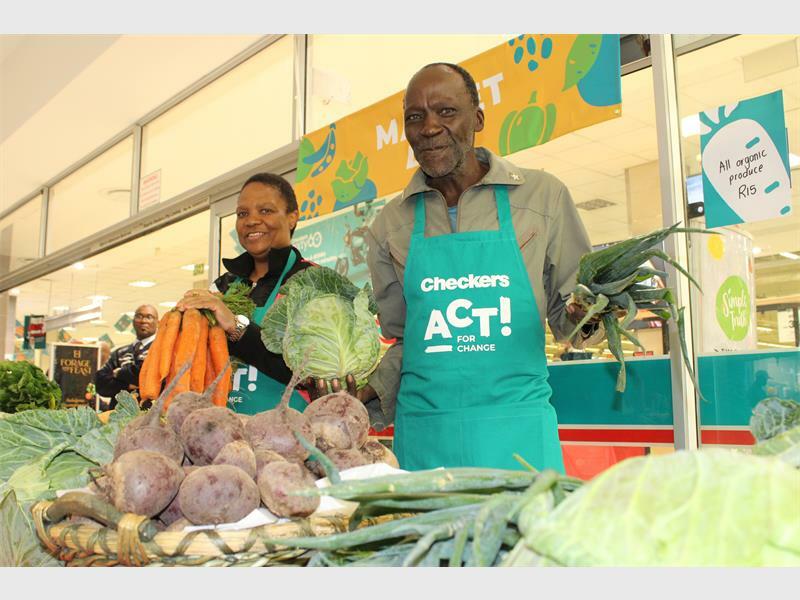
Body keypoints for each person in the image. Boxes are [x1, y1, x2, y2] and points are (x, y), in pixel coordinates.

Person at [358, 63, 604, 473]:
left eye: (446, 111)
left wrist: (594, 312)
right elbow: (405, 340)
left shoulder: (542, 197)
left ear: (478, 118)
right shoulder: (389, 225)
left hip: (518, 435)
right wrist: (365, 390)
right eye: (415, 117)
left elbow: (572, 323)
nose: (429, 127)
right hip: (425, 438)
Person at [176, 173, 318, 414]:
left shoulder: (312, 281)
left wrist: (236, 327)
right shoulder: (223, 286)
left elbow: (311, 372)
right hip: (219, 428)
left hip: (288, 430)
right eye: (242, 214)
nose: (251, 221)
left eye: (265, 211)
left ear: (292, 217)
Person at [94, 305, 158, 408]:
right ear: (133, 321)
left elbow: (149, 377)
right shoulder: (119, 353)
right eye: (139, 316)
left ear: (158, 322)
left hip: (152, 412)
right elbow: (101, 384)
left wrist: (119, 373)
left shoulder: (161, 351)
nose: (143, 321)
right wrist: (127, 385)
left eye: (149, 317)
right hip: (117, 413)